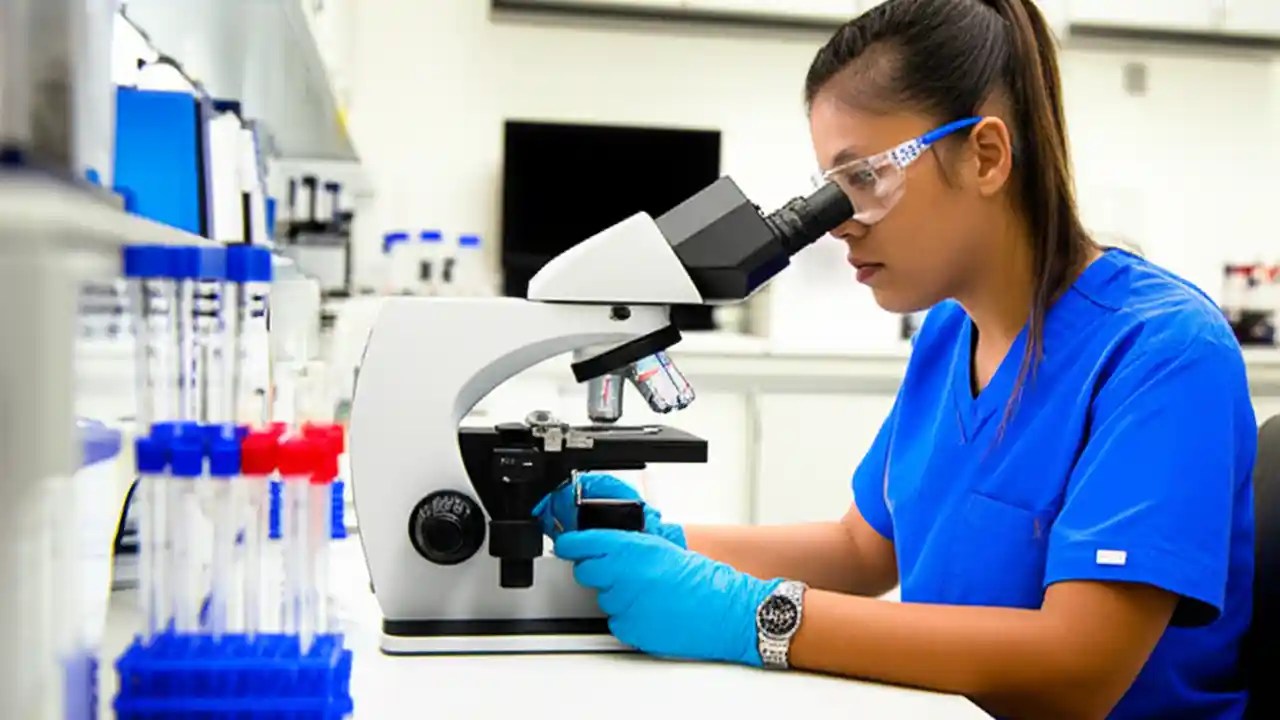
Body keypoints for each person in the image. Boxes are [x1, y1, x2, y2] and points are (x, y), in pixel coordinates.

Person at [534, 0, 1258, 717]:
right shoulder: (948, 330)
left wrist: (756, 617)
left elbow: (1079, 667)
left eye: (864, 180)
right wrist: (656, 540)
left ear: (986, 155)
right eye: (830, 188)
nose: (838, 225)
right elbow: (860, 549)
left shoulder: (1164, 352)